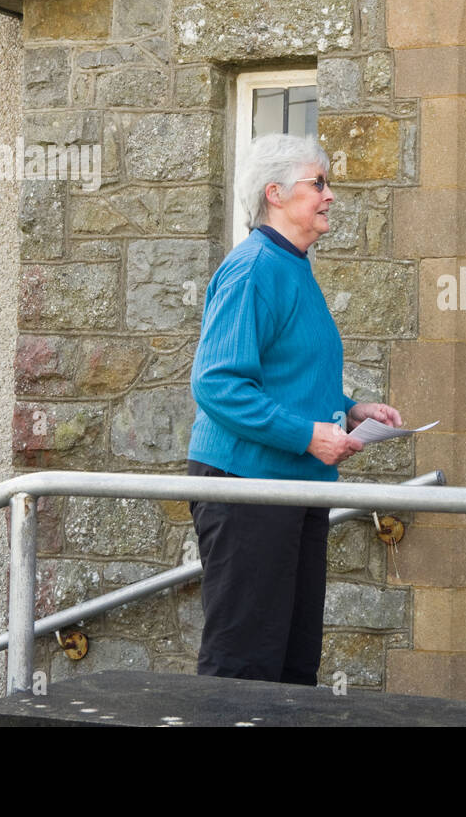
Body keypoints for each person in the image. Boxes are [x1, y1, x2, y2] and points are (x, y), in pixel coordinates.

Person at [185, 132, 402, 684]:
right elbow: (218, 384)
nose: (330, 195)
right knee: (244, 661)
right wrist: (306, 435)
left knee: (293, 661)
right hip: (247, 487)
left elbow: (287, 373)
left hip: (296, 487)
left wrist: (351, 411)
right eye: (319, 183)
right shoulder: (254, 267)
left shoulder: (294, 266)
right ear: (275, 193)